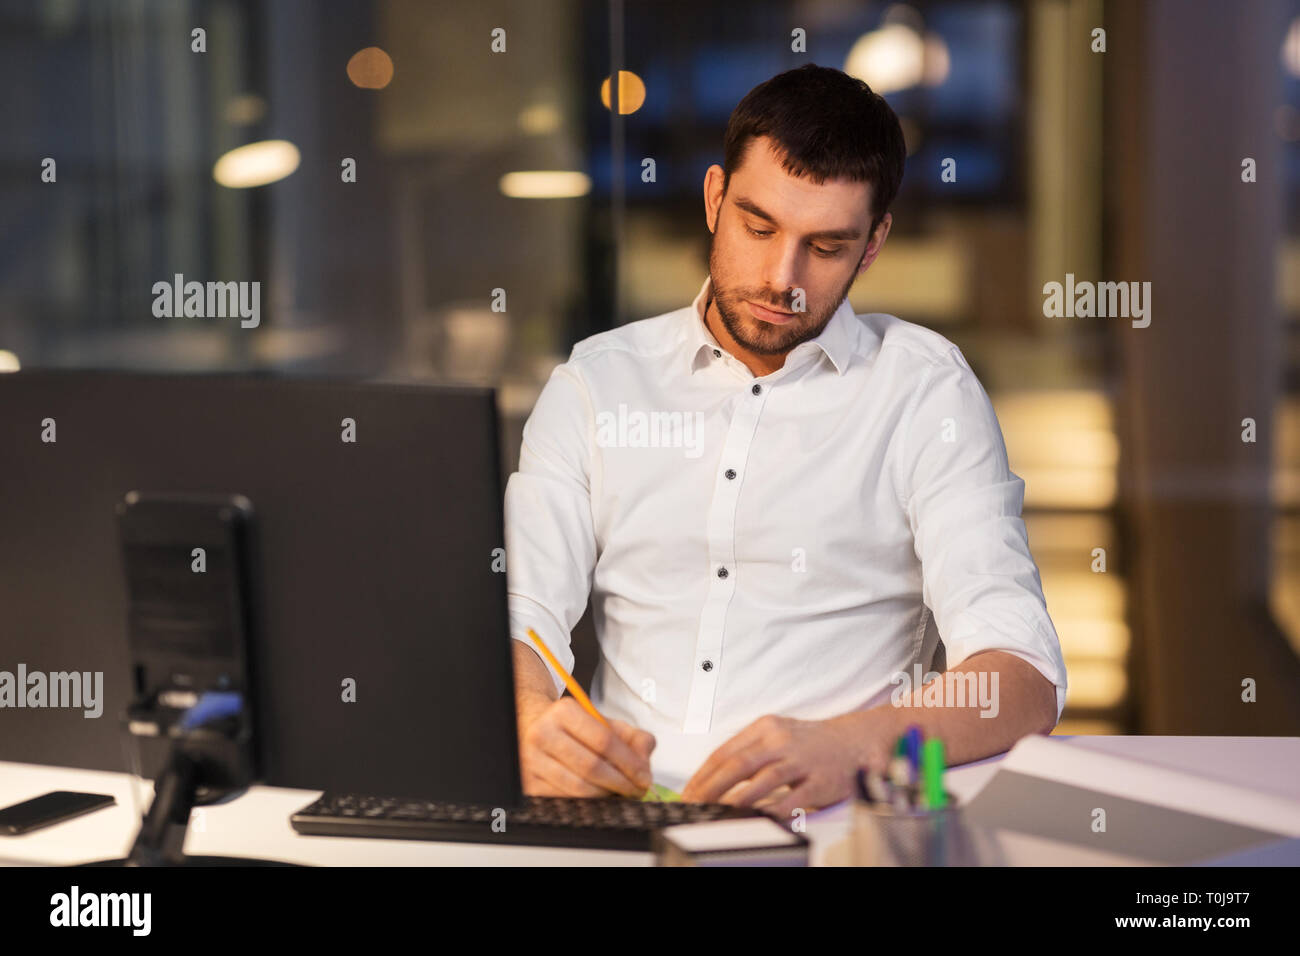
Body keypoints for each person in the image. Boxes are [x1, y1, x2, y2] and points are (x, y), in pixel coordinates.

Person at [506, 64, 1067, 817]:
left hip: (835, 825)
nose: (782, 278)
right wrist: (529, 721)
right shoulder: (598, 383)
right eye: (758, 226)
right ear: (714, 200)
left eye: (826, 247)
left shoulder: (925, 392)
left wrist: (855, 746)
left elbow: (1021, 678)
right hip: (622, 816)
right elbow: (516, 615)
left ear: (872, 247)